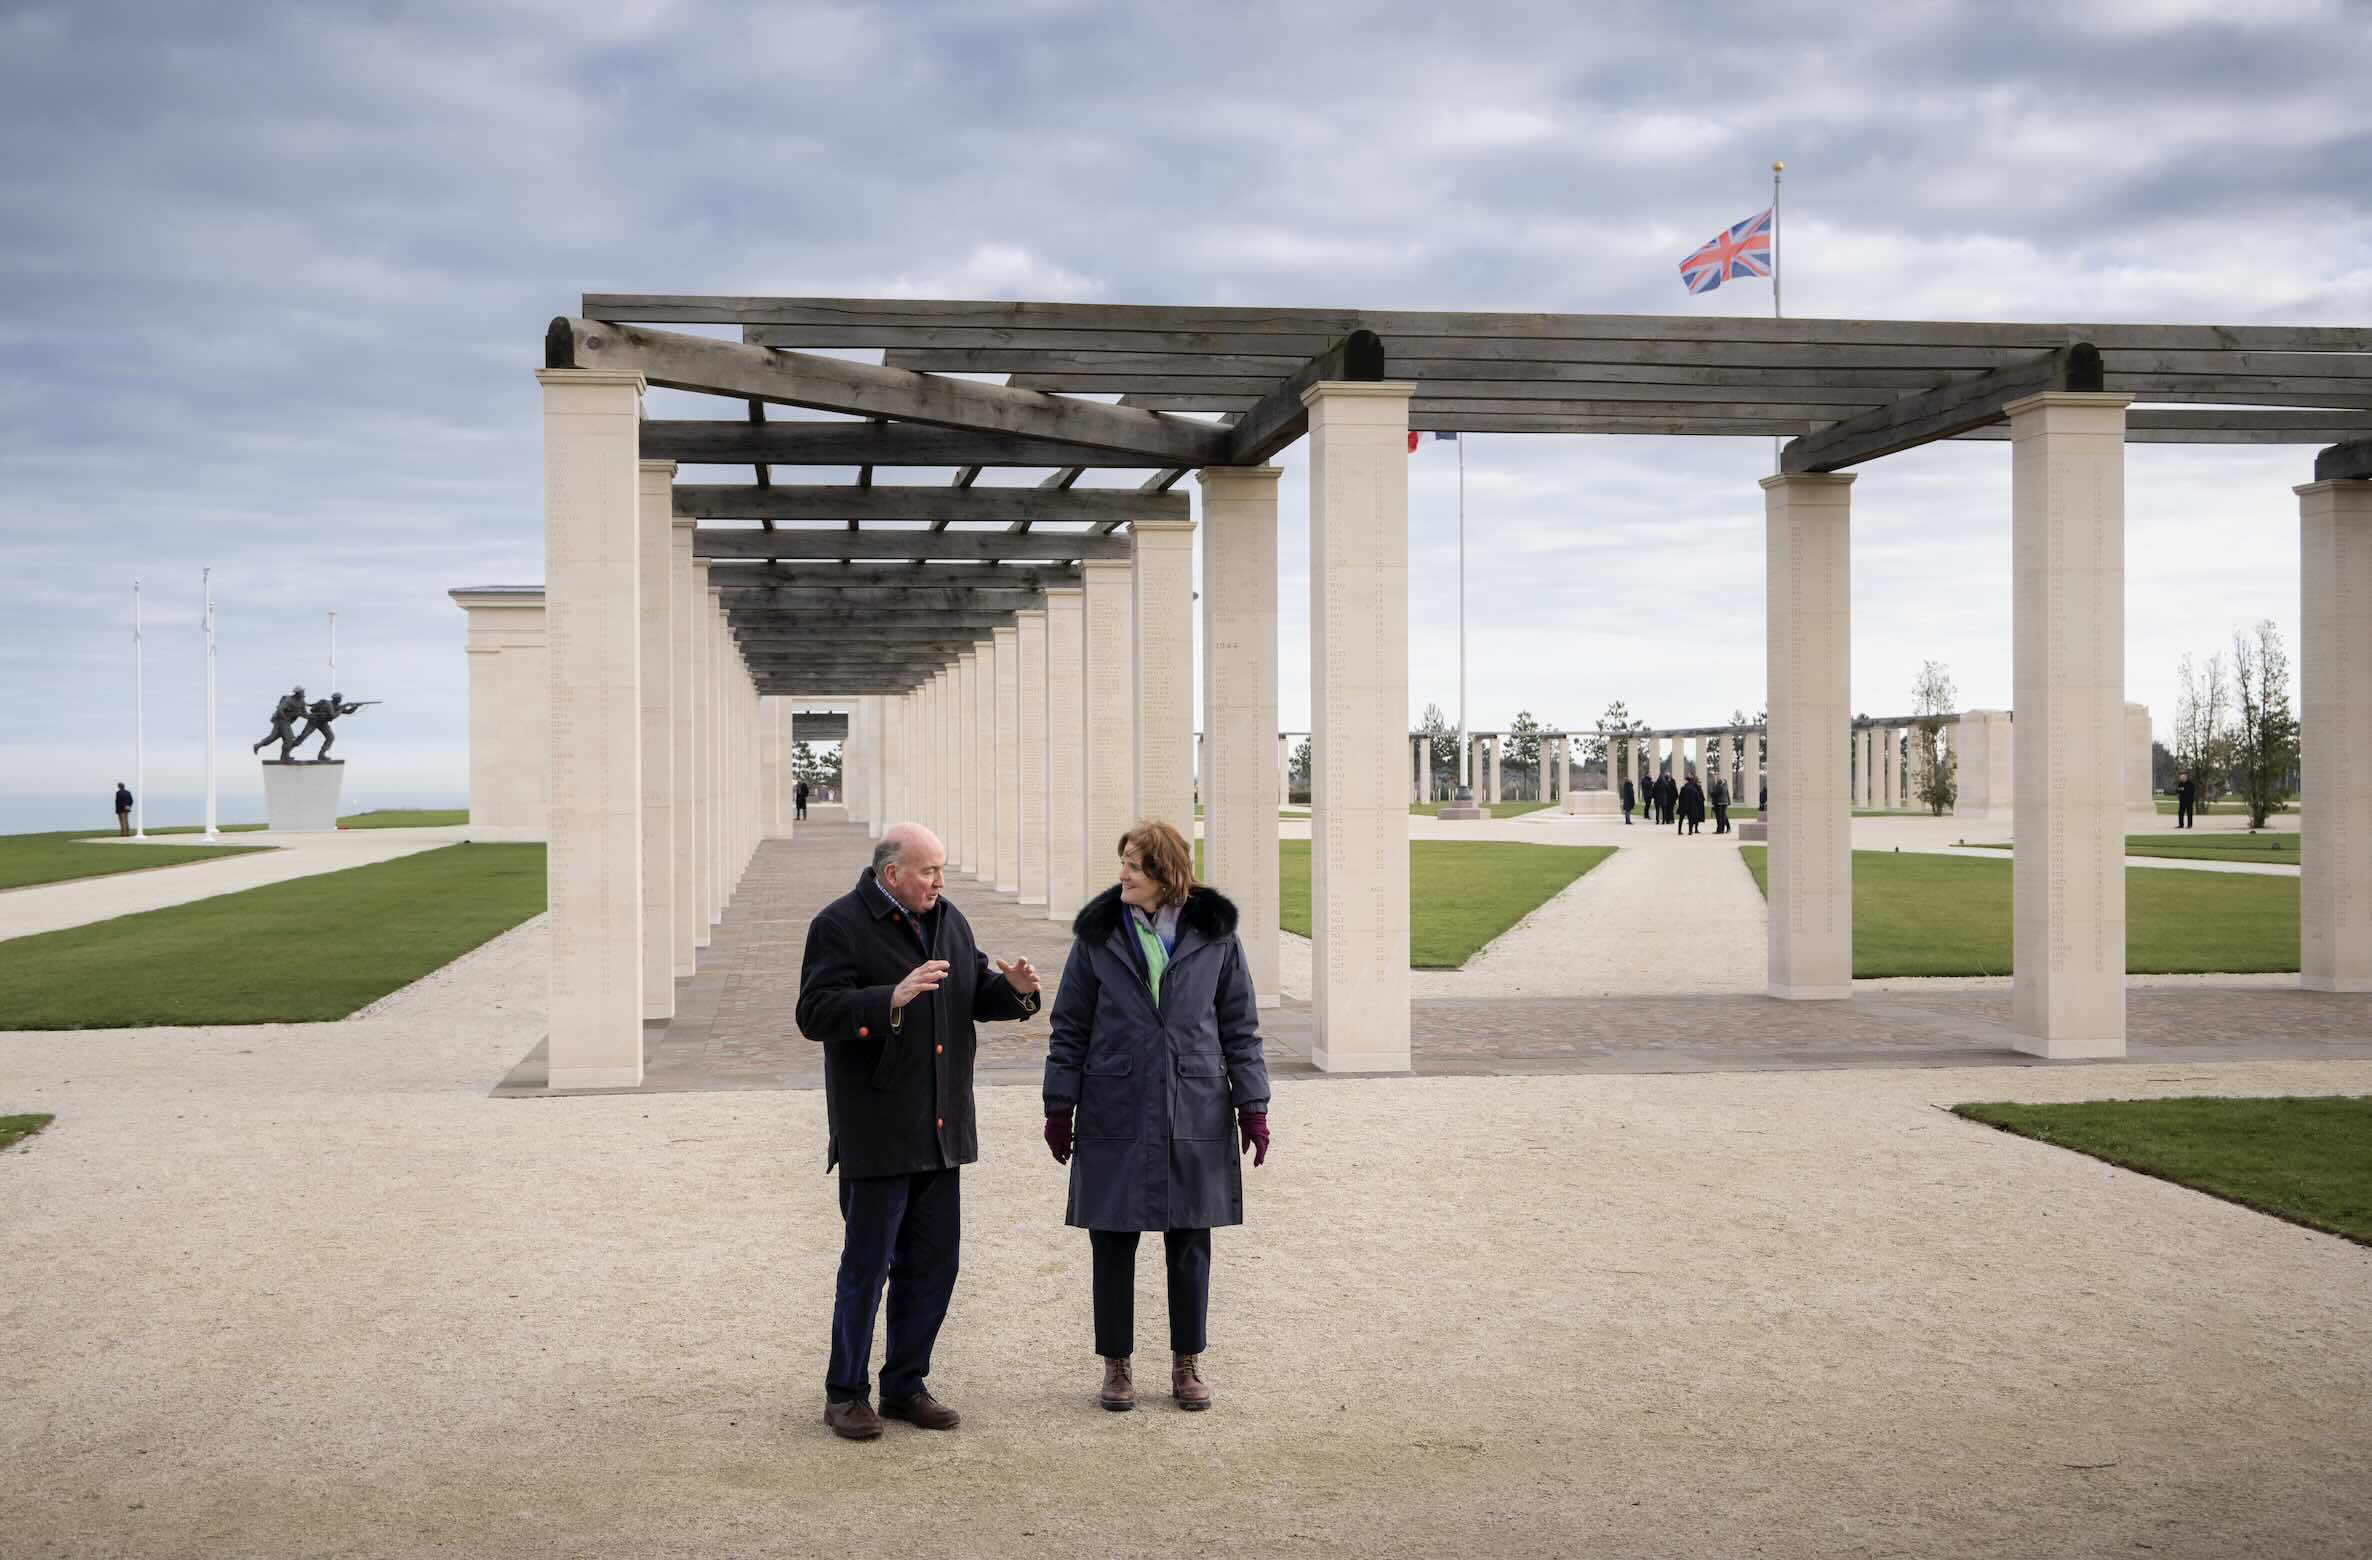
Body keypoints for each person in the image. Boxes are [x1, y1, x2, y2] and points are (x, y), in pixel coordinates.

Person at [794, 822, 1043, 1441]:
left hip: (942, 1127)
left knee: (933, 1266)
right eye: (929, 870)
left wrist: (1012, 994)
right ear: (890, 876)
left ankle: (905, 1384)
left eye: (941, 870)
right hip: (878, 1129)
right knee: (867, 1267)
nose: (939, 881)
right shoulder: (839, 925)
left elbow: (967, 995)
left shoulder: (950, 920)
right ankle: (845, 1393)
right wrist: (889, 999)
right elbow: (814, 1012)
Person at [1043, 821, 1269, 1415]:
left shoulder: (1217, 938)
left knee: (1190, 1236)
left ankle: (1186, 1362)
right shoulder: (1097, 938)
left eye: (1134, 866)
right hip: (1115, 1102)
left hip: (1195, 1101)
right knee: (1112, 1237)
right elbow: (1069, 1027)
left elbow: (1240, 1028)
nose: (1122, 874)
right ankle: (1117, 1366)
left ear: (1166, 874)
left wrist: (1253, 1107)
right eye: (1121, 862)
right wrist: (1058, 1105)